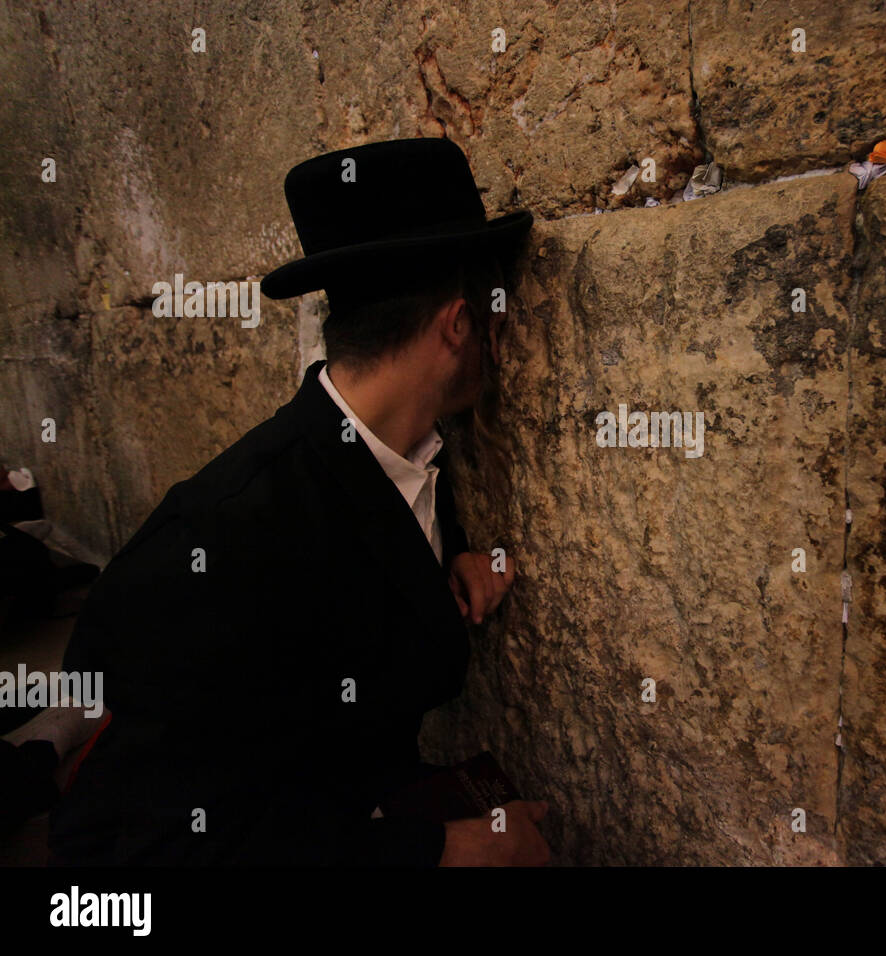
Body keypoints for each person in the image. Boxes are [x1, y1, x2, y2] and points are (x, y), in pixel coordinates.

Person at [48, 137, 549, 866]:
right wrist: (444, 851)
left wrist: (451, 563)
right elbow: (164, 844)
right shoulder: (217, 542)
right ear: (459, 324)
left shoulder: (402, 455)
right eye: (495, 316)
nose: (502, 343)